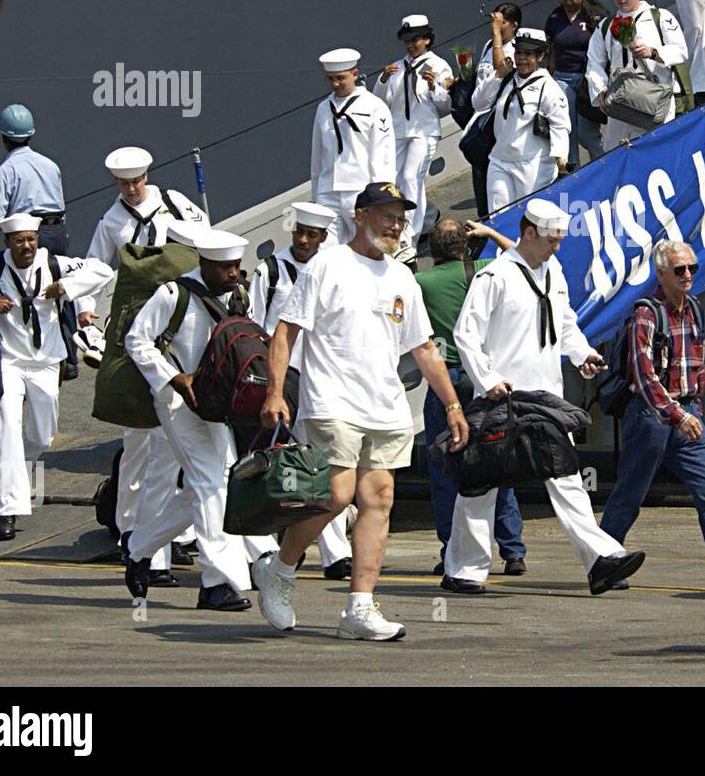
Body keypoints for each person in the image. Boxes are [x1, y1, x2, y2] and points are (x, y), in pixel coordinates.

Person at [254, 182, 470, 640]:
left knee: (379, 499)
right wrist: (275, 391)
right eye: (386, 216)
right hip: (332, 399)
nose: (395, 225)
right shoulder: (326, 266)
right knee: (336, 493)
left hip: (385, 405)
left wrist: (452, 402)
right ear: (360, 215)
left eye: (400, 218)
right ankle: (281, 569)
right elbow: (285, 333)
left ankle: (359, 608)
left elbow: (425, 348)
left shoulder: (401, 278)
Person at [443, 197, 646, 595]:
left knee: (567, 477)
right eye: (552, 239)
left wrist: (583, 353)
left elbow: (565, 322)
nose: (557, 247)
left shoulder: (553, 272)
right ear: (529, 233)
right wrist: (487, 380)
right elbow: (465, 335)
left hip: (548, 398)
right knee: (482, 484)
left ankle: (600, 560)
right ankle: (463, 569)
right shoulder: (495, 277)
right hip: (503, 398)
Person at [600, 240, 705, 592]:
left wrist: (695, 411)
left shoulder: (694, 308)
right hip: (652, 417)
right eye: (680, 270)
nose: (689, 274)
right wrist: (678, 415)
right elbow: (643, 376)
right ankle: (603, 562)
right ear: (661, 274)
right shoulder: (646, 314)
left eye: (692, 267)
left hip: (688, 413)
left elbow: (699, 363)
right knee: (630, 493)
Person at [122, 230, 271, 610]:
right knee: (209, 483)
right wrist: (172, 377)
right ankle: (215, 582)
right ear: (204, 264)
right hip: (177, 402)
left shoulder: (240, 295)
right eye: (225, 267)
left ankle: (138, 549)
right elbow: (136, 340)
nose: (234, 273)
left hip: (221, 405)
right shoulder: (173, 295)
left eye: (237, 265)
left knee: (205, 489)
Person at [77, 146, 209, 575]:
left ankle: (177, 533)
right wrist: (83, 307)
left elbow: (204, 241)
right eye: (123, 184)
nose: (131, 190)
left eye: (136, 181)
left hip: (179, 316)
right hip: (136, 324)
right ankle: (129, 530)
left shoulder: (175, 205)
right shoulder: (112, 222)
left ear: (147, 175)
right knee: (138, 441)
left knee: (181, 439)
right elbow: (96, 266)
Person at [0, 215, 111, 539]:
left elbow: (101, 270)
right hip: (8, 360)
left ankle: (11, 468)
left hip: (45, 360)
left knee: (42, 435)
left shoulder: (53, 263)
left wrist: (66, 287)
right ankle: (8, 510)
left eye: (31, 239)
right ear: (7, 242)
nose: (26, 246)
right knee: (8, 427)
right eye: (19, 240)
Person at [247, 200, 354, 581]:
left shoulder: (335, 268)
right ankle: (269, 547)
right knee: (279, 460)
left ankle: (335, 553)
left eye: (312, 235)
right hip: (286, 375)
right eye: (299, 233)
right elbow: (257, 326)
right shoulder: (271, 270)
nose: (304, 240)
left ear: (324, 237)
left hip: (324, 378)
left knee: (325, 464)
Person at [416, 218, 526, 576]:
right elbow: (523, 256)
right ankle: (513, 550)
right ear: (465, 246)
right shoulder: (486, 270)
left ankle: (452, 549)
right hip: (486, 379)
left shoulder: (421, 282)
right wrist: (490, 233)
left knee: (445, 468)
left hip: (445, 380)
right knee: (498, 463)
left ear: (432, 248)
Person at [585, 0, 687, 151]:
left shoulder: (660, 17)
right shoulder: (605, 26)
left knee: (659, 151)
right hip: (620, 101)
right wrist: (600, 91)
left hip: (654, 99)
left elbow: (681, 51)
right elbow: (593, 63)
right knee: (616, 155)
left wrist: (654, 53)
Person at [373, 17, 454, 248]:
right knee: (394, 181)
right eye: (407, 41)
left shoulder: (439, 66)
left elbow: (445, 105)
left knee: (411, 178)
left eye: (415, 39)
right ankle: (419, 220)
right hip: (399, 131)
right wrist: (383, 79)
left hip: (424, 130)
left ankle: (411, 234)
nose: (410, 45)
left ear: (427, 39)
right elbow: (380, 102)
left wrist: (433, 87)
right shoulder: (397, 67)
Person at [473, 26, 570, 212]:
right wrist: (496, 76)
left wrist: (561, 158)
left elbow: (560, 126)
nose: (521, 58)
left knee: (529, 217)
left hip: (533, 164)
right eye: (518, 52)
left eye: (528, 54)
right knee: (498, 217)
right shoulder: (506, 78)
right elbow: (479, 103)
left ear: (540, 57)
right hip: (500, 160)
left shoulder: (548, 87)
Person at [310, 47, 396, 245]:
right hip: (328, 190)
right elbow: (317, 155)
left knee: (367, 246)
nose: (335, 83)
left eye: (340, 77)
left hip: (360, 188)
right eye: (330, 78)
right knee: (326, 252)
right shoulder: (324, 108)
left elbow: (383, 154)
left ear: (354, 74)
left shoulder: (374, 106)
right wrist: (316, 194)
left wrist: (381, 195)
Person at [0, 105, 68, 256]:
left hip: (27, 238)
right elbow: (61, 208)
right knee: (56, 278)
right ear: (30, 135)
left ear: (3, 137)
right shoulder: (51, 165)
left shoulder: (4, 172)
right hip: (58, 235)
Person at [544, 0, 606, 167]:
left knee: (588, 135)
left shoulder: (595, 15)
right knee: (567, 131)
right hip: (562, 79)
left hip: (587, 81)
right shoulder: (555, 18)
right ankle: (574, 173)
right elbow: (551, 49)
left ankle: (605, 168)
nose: (568, 2)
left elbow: (605, 50)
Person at [468, 4, 521, 213]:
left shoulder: (516, 48)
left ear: (514, 26)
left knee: (496, 184)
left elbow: (502, 69)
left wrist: (496, 33)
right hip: (480, 118)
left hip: (499, 122)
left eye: (503, 22)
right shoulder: (490, 44)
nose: (497, 25)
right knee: (480, 178)